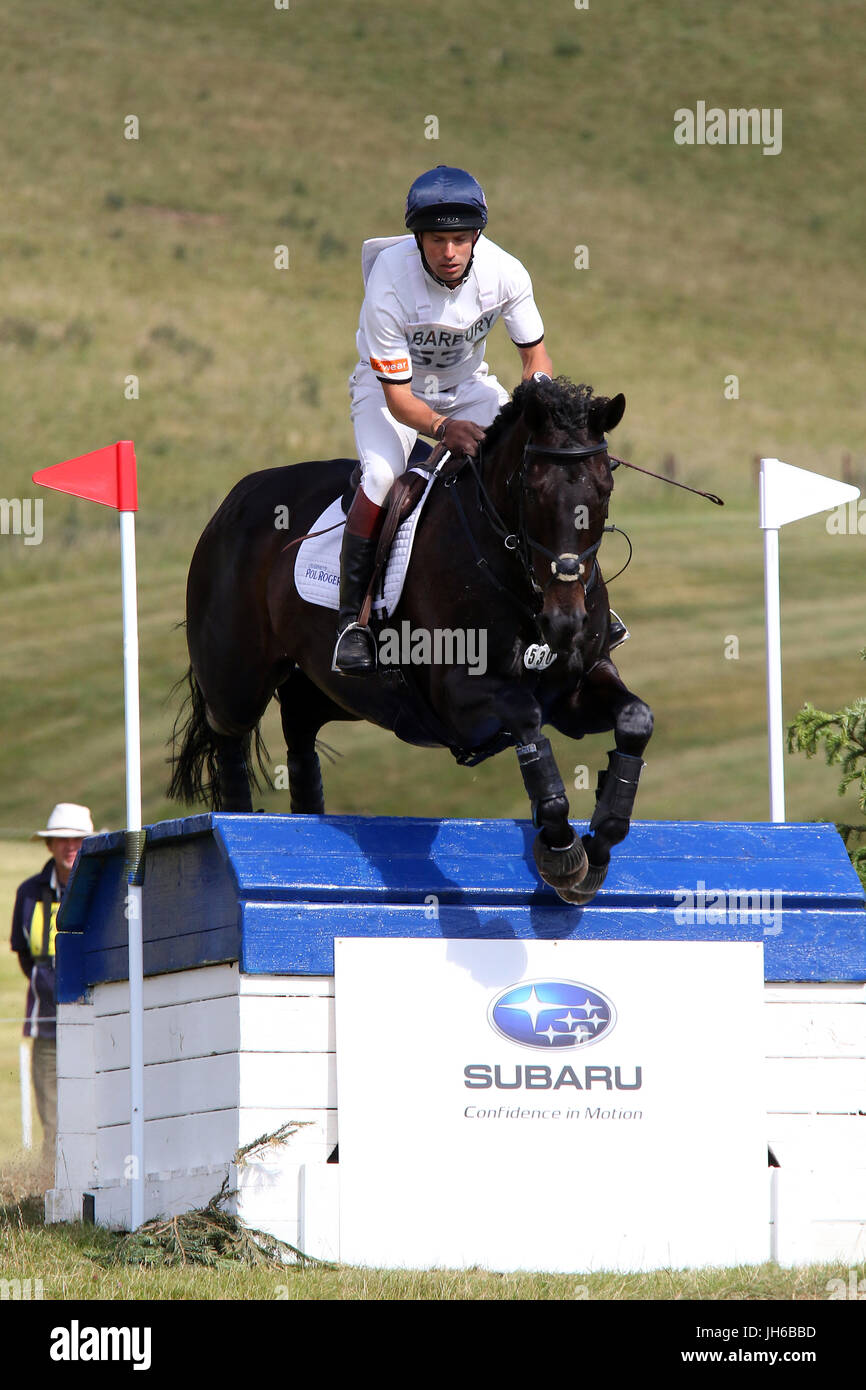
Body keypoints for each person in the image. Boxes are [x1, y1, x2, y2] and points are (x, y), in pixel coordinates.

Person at [333, 164, 553, 676]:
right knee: (383, 475)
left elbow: (535, 358)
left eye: (460, 239)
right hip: (392, 391)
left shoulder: (507, 273)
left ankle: (563, 603)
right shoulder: (388, 280)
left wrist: (536, 409)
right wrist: (440, 429)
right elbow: (399, 399)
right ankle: (352, 623)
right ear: (417, 238)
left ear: (477, 236)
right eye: (436, 240)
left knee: (536, 467)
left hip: (468, 386)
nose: (449, 253)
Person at [9, 802, 94, 1162]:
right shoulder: (28, 893)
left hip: (95, 1021)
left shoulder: (99, 887)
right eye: (61, 840)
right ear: (49, 845)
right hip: (45, 1027)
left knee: (95, 1111)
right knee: (53, 1122)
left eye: (76, 839)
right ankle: (51, 1193)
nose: (69, 847)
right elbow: (24, 952)